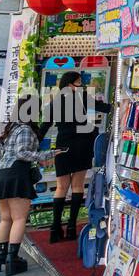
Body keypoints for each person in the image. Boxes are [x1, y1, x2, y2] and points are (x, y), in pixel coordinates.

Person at [46, 72, 110, 243]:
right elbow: (105, 108)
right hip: (82, 145)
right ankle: (72, 227)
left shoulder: (54, 102)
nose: (80, 85)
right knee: (77, 185)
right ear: (70, 83)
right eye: (78, 82)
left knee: (61, 187)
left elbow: (44, 126)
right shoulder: (82, 98)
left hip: (63, 146)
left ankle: (54, 228)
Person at [0, 95, 54, 276]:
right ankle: (13, 259)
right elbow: (22, 153)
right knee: (19, 219)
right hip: (17, 175)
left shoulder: (10, 129)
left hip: (2, 175)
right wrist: (46, 155)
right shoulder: (26, 129)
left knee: (6, 219)